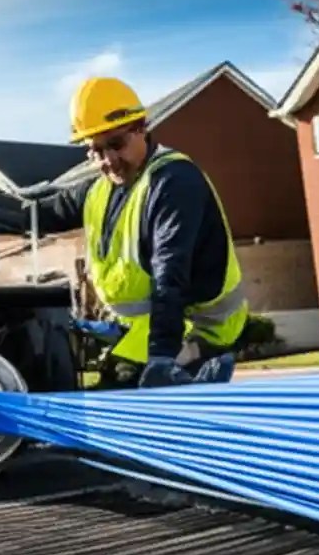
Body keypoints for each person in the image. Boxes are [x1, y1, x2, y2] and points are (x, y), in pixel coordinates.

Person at [20, 76, 249, 389]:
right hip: (143, 328)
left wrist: (163, 358)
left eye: (116, 144)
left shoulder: (174, 182)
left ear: (141, 127)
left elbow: (171, 276)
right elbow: (44, 210)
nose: (109, 160)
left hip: (198, 328)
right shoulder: (101, 190)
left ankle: (198, 365)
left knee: (119, 397)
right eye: (96, 151)